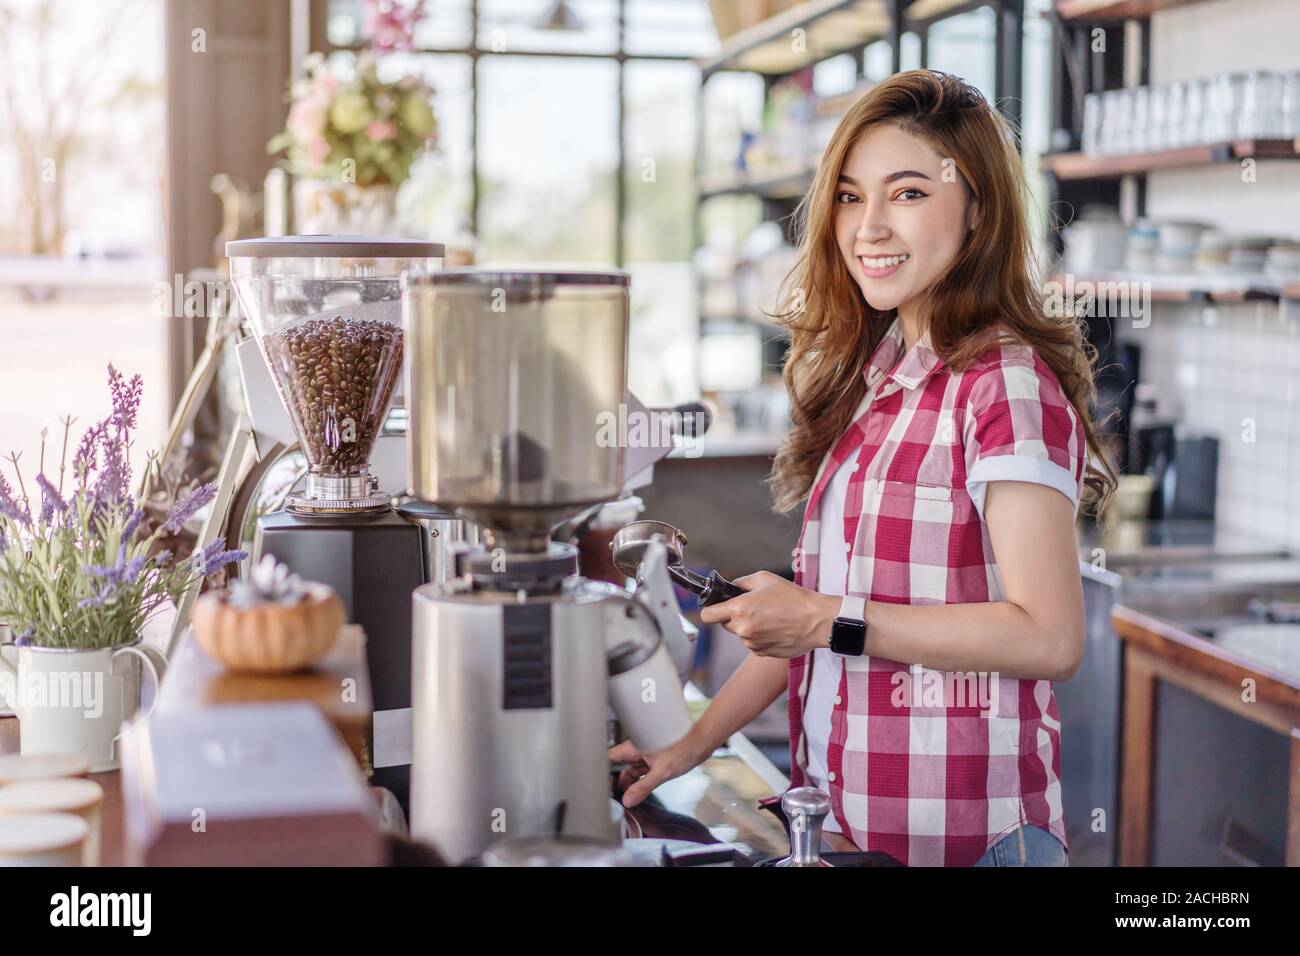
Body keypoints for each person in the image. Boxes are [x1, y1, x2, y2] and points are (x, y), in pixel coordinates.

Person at [610, 69, 1116, 867]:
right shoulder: (881, 372)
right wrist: (687, 742)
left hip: (965, 838)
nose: (868, 227)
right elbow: (824, 624)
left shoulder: (1003, 384)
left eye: (907, 193)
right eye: (849, 196)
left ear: (977, 206)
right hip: (851, 826)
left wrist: (825, 618)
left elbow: (1050, 636)